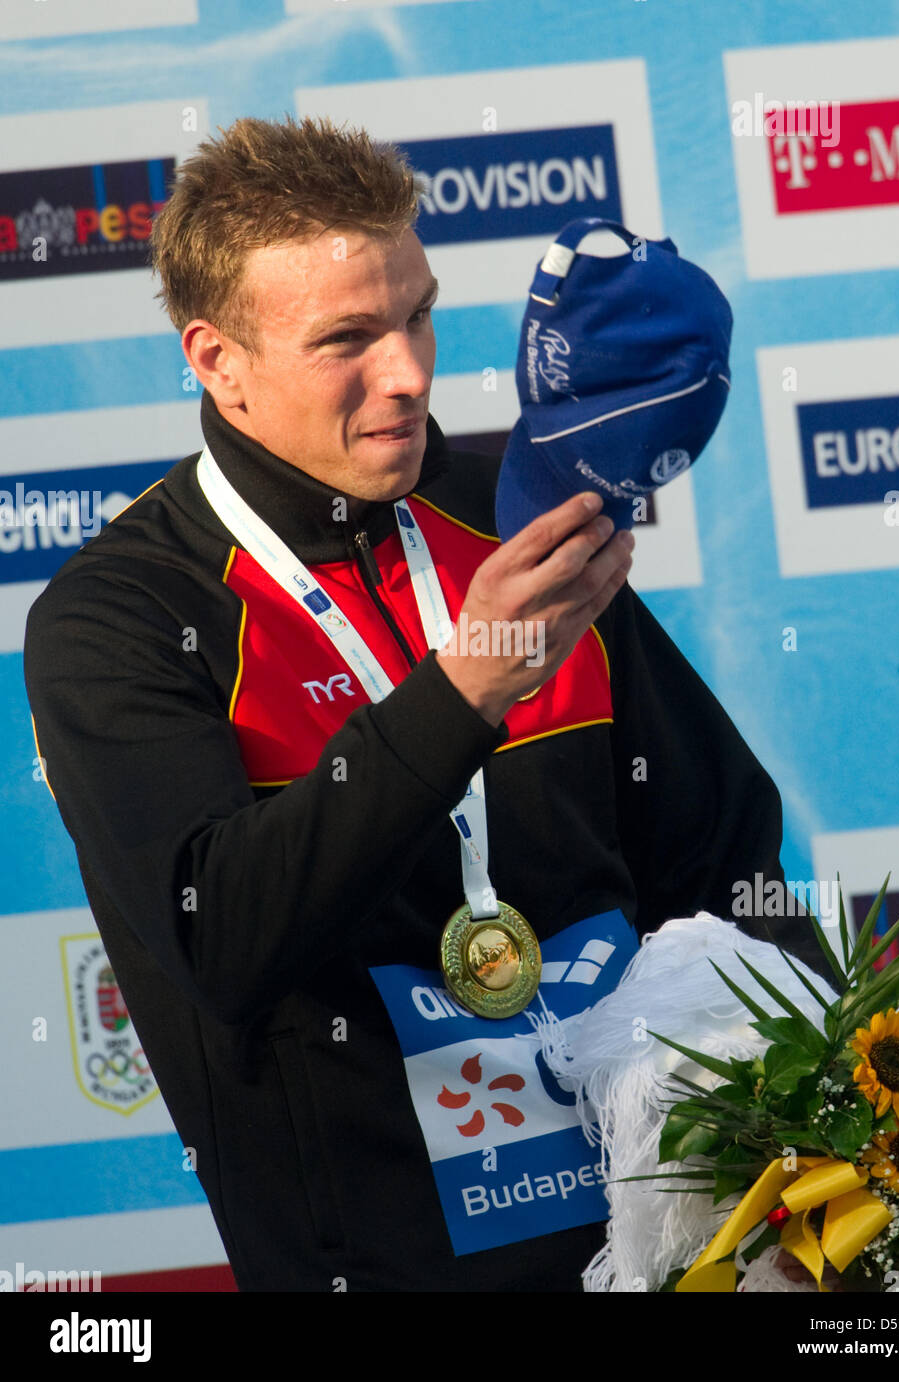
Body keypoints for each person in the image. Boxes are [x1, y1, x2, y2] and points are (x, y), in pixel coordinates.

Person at [23, 115, 819, 1292]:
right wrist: (467, 688)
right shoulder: (121, 616)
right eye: (346, 338)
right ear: (216, 359)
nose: (406, 372)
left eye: (416, 315)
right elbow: (224, 938)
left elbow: (724, 857)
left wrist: (838, 1148)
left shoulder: (515, 505)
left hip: (675, 1257)